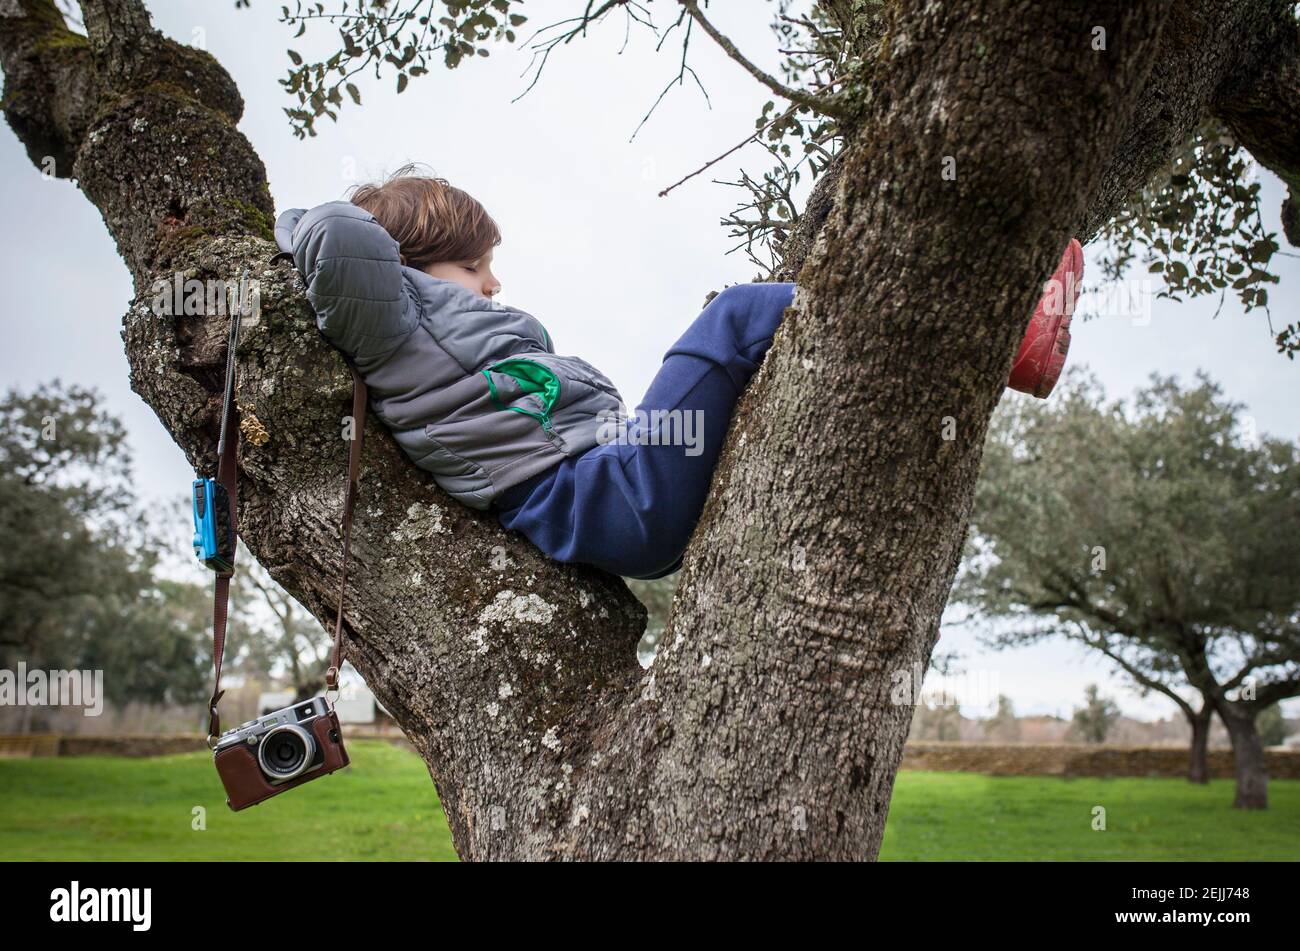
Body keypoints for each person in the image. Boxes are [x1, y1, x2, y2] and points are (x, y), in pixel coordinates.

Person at [276, 166, 1082, 579]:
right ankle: (995, 326)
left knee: (737, 360)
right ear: (407, 265)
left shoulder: (421, 325)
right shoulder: (391, 321)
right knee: (734, 316)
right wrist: (290, 224)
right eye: (472, 265)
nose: (492, 284)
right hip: (605, 497)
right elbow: (343, 234)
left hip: (610, 491)